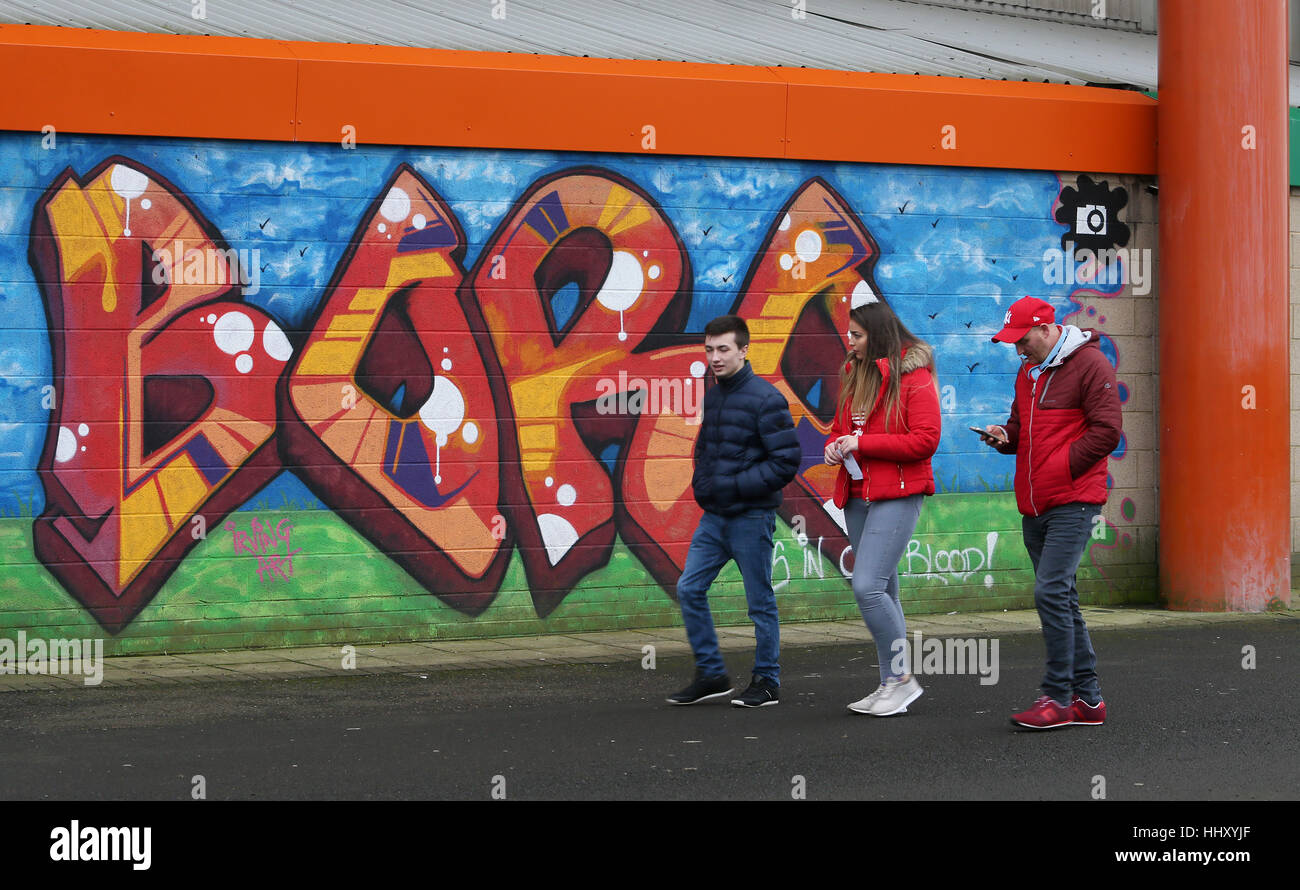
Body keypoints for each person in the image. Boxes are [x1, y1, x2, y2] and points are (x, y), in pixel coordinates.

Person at [978, 296, 1122, 730]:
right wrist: (1005, 437)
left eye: (1022, 341)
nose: (1018, 350)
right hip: (1035, 504)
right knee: (1063, 599)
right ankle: (1089, 701)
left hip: (1074, 500)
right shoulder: (1027, 372)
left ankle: (1058, 697)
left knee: (1050, 593)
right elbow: (1021, 428)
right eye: (1013, 343)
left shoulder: (1090, 364)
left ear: (1046, 329)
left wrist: (1061, 466)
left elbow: (1108, 430)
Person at [667, 315, 801, 708]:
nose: (715, 357)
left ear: (744, 350)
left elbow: (785, 462)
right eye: (709, 350)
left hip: (750, 517)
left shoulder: (767, 398)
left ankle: (767, 681)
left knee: (759, 602)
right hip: (715, 518)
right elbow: (708, 448)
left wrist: (732, 485)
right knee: (689, 588)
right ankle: (711, 674)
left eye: (723, 349)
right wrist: (703, 483)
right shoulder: (715, 394)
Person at [824, 297, 941, 716]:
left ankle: (901, 681)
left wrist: (862, 443)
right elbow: (842, 428)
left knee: (866, 585)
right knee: (885, 588)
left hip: (898, 493)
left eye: (856, 334)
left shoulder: (915, 376)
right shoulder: (855, 372)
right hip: (858, 494)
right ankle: (890, 680)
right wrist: (836, 446)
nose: (849, 341)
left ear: (878, 335)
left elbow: (926, 440)